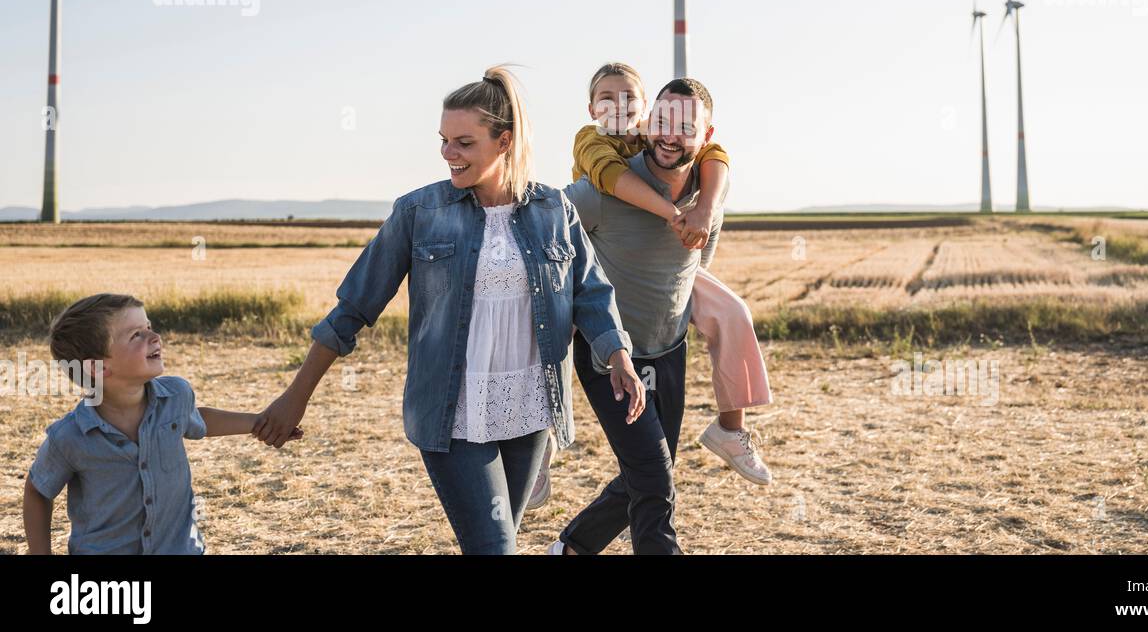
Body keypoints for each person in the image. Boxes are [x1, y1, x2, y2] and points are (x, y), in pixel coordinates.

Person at [253, 65, 644, 555]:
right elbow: (352, 308)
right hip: (452, 416)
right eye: (443, 140)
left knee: (498, 541)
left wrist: (619, 356)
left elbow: (590, 293)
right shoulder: (419, 213)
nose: (447, 154)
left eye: (463, 142)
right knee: (496, 549)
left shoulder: (554, 210)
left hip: (528, 411)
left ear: (504, 141)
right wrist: (296, 396)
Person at [529, 62, 772, 511]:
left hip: (668, 280)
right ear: (591, 108)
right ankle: (541, 440)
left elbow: (716, 152)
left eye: (629, 101)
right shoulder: (593, 141)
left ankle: (731, 425)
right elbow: (604, 181)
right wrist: (673, 214)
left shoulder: (663, 139)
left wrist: (704, 209)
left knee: (734, 313)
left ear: (644, 111)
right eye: (607, 99)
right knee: (550, 336)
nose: (618, 109)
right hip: (596, 273)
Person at [550, 75, 733, 555]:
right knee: (654, 479)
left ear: (706, 137)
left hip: (669, 346)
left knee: (654, 468)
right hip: (609, 354)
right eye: (663, 121)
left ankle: (572, 547)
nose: (671, 136)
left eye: (686, 127)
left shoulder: (708, 191)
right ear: (649, 120)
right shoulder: (603, 189)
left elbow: (698, 260)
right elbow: (547, 233)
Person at [23, 293, 303, 554]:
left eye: (149, 326)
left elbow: (197, 418)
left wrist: (259, 423)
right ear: (96, 367)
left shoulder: (176, 396)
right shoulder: (70, 437)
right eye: (136, 335)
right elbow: (38, 490)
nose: (154, 337)